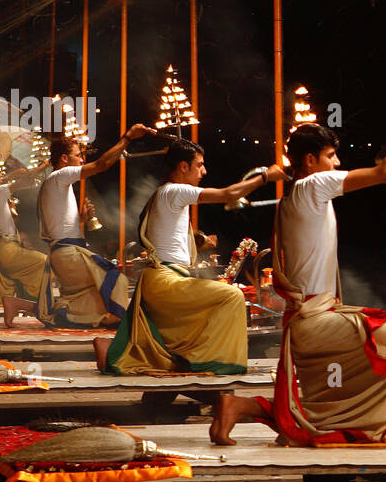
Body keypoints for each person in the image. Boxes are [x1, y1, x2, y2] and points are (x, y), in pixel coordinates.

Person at [208, 108, 386, 447]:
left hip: (310, 320)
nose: (337, 162)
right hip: (313, 323)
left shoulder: (294, 194)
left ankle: (239, 405)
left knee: (333, 394)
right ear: (311, 160)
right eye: (331, 156)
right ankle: (361, 424)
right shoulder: (315, 184)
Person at [100, 139, 283, 375]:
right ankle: (211, 363)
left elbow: (166, 237)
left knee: (215, 304)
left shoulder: (165, 194)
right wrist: (266, 176)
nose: (204, 171)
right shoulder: (175, 191)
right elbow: (228, 194)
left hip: (162, 281)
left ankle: (192, 361)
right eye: (199, 165)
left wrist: (201, 242)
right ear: (183, 167)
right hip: (166, 283)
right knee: (232, 297)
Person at [1, 126, 151, 328]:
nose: (81, 160)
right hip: (67, 254)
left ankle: (20, 304)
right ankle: (114, 321)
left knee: (89, 295)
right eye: (77, 155)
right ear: (64, 159)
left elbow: (59, 226)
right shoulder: (60, 177)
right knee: (116, 279)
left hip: (62, 253)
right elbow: (102, 164)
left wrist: (81, 219)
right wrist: (127, 138)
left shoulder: (53, 183)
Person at [0, 160, 48, 307]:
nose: (0, 174)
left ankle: (25, 300)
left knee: (34, 264)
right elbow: (26, 181)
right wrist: (45, 165)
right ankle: (30, 302)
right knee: (44, 260)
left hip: (3, 250)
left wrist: (13, 174)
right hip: (9, 251)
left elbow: (0, 182)